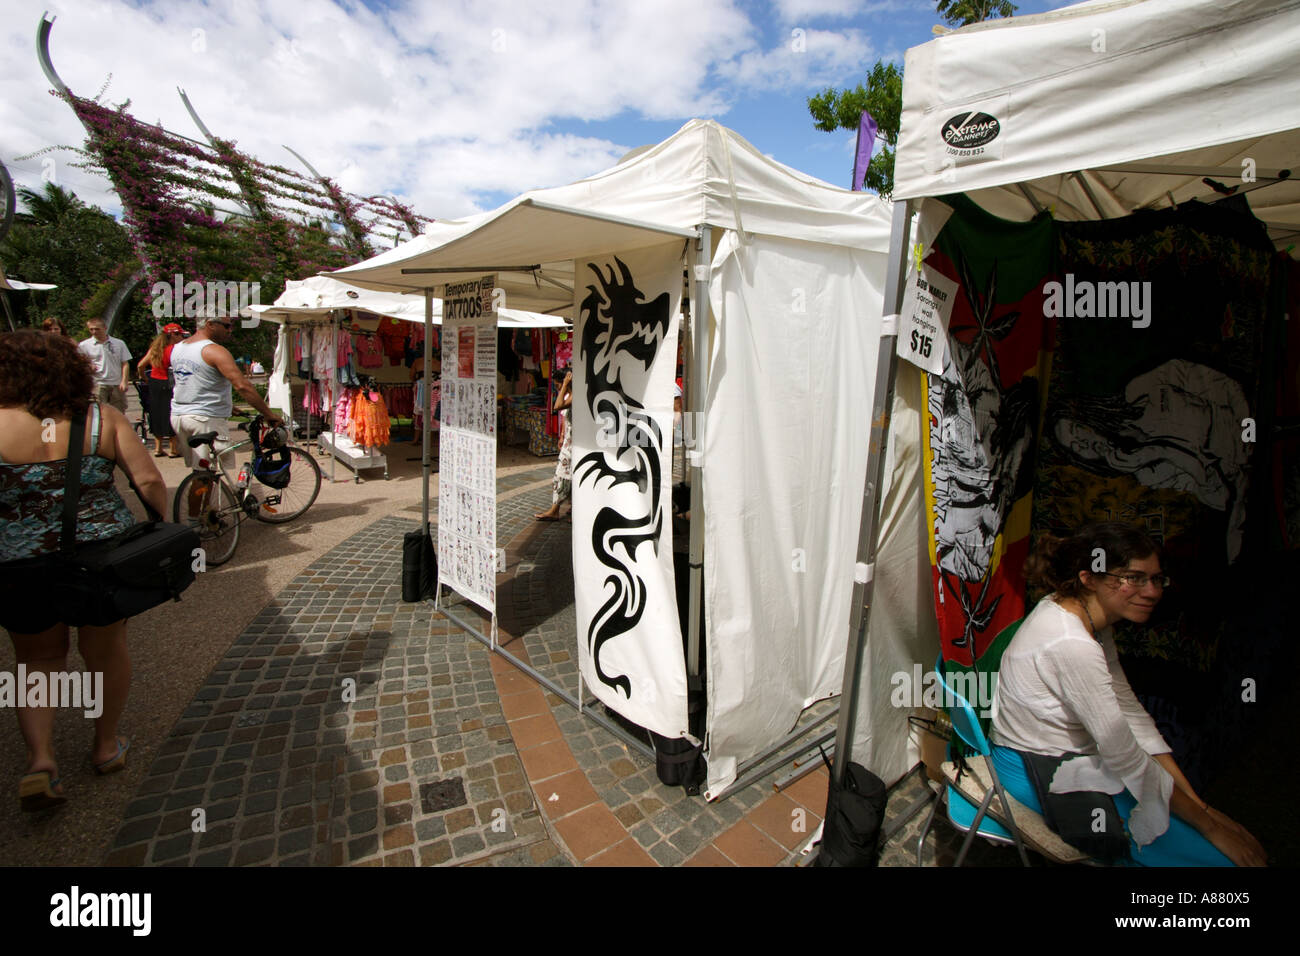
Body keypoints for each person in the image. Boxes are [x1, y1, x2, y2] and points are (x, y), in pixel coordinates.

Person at [990, 521, 1266, 866]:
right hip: (1034, 771)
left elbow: (1132, 714)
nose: (1151, 591)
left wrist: (1202, 809)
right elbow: (1126, 757)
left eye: (1156, 578)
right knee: (1219, 861)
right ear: (1089, 577)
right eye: (1132, 578)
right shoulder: (1071, 643)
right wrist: (1210, 827)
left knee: (1206, 835)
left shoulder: (1085, 615)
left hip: (1069, 759)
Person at [0, 330, 168, 810]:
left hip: (17, 562)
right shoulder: (99, 419)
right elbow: (150, 480)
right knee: (106, 648)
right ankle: (106, 746)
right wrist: (159, 527)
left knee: (36, 659)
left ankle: (40, 761)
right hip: (99, 558)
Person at [169, 316, 284, 470]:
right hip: (204, 419)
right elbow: (242, 386)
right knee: (205, 476)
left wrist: (227, 405)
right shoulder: (214, 350)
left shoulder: (179, 347)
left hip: (180, 415)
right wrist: (268, 414)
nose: (230, 330)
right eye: (226, 326)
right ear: (210, 324)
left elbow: (195, 383)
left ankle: (212, 492)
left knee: (201, 471)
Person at [136, 324, 186, 457]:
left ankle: (158, 448)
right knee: (171, 412)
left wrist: (145, 379)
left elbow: (141, 365)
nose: (182, 337)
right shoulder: (174, 349)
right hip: (170, 383)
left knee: (156, 413)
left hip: (155, 383)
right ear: (173, 335)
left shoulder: (155, 349)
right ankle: (173, 448)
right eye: (180, 334)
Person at [536, 369, 573, 521]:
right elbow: (565, 417)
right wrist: (562, 435)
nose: (558, 388)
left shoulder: (574, 395)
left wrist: (564, 384)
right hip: (569, 442)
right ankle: (559, 509)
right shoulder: (568, 395)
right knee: (565, 475)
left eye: (558, 385)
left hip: (574, 444)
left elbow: (557, 406)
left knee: (565, 475)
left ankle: (556, 510)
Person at [78, 318, 132, 414]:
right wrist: (88, 366)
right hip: (98, 384)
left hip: (116, 384)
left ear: (105, 328)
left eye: (97, 329)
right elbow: (79, 364)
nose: (94, 332)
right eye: (91, 329)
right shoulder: (84, 346)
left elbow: (125, 363)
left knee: (118, 413)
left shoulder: (119, 343)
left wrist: (124, 381)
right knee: (98, 413)